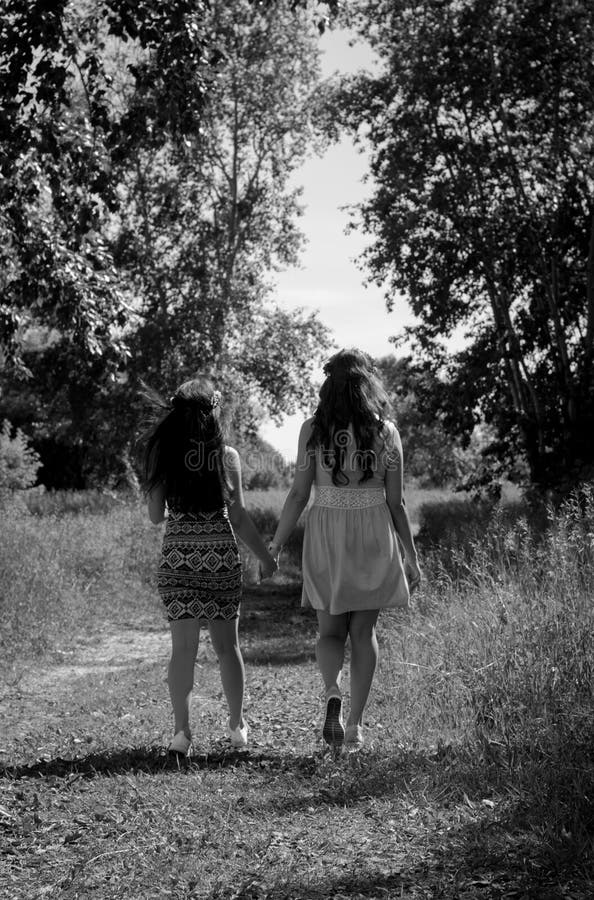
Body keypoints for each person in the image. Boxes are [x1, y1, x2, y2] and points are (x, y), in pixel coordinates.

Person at [269, 349, 421, 749]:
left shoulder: (312, 430)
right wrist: (411, 555)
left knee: (330, 631)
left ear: (328, 385)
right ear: (368, 384)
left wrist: (276, 544)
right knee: (364, 630)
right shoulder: (386, 431)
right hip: (373, 529)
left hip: (326, 531)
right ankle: (353, 725)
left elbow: (299, 494)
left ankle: (332, 690)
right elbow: (396, 502)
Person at [142, 377, 277, 756]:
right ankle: (237, 727)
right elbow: (239, 516)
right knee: (227, 646)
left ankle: (181, 734)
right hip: (220, 558)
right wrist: (265, 557)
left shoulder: (161, 456)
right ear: (213, 411)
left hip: (178, 558)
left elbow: (155, 516)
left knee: (182, 649)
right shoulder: (227, 457)